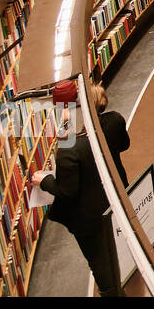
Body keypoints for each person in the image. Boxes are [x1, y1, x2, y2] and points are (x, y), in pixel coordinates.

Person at [32, 83, 130, 297]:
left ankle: (112, 293)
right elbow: (124, 145)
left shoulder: (69, 148)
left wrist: (45, 180)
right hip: (115, 195)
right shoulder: (114, 120)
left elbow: (67, 191)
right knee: (114, 243)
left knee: (99, 261)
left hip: (88, 215)